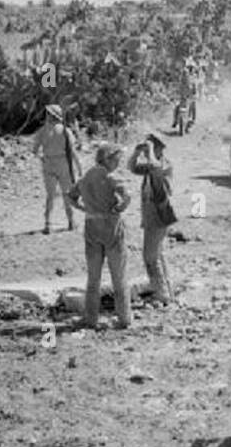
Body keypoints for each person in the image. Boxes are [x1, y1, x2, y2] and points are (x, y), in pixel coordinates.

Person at [66, 143, 132, 329]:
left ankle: (91, 318)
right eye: (117, 159)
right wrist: (120, 207)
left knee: (93, 277)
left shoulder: (86, 177)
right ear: (108, 159)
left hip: (92, 227)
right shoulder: (110, 177)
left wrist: (83, 208)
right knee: (118, 275)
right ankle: (124, 318)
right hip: (111, 228)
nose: (119, 162)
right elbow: (127, 196)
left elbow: (71, 197)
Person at [130, 134, 175, 305]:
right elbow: (132, 167)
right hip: (151, 214)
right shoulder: (152, 164)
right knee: (157, 254)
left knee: (150, 256)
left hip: (159, 213)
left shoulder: (164, 164)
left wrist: (149, 152)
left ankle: (161, 293)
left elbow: (156, 168)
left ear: (159, 148)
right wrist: (136, 153)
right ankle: (166, 290)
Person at [31, 104, 78, 234]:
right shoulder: (65, 131)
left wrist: (43, 158)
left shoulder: (41, 131)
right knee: (66, 194)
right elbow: (72, 152)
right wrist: (79, 167)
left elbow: (35, 151)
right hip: (63, 163)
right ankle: (71, 221)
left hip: (48, 164)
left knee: (50, 196)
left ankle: (48, 224)